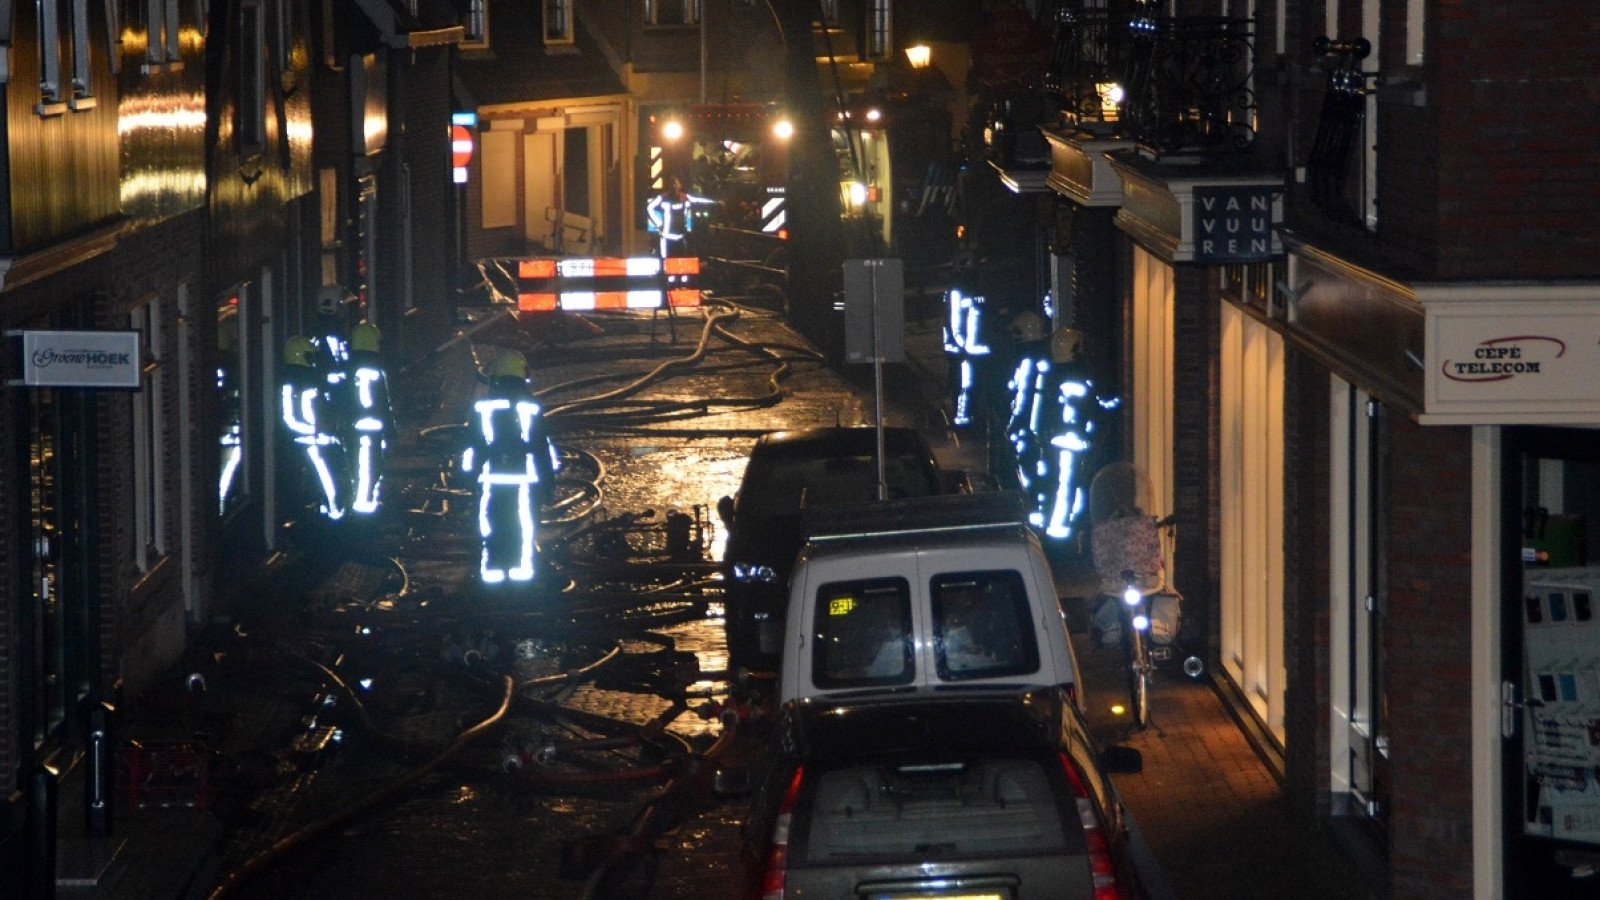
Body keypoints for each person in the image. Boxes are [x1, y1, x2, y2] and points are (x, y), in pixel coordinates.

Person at [460, 352, 560, 584]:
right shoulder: (531, 407)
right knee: (523, 524)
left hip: (492, 477)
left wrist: (468, 476)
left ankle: (493, 571)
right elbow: (540, 447)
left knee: (493, 522)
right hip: (525, 477)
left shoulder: (482, 407)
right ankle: (521, 572)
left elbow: (474, 447)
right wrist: (548, 481)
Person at [281, 335, 346, 519]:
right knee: (325, 474)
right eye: (311, 356)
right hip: (311, 439)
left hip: (293, 440)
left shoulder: (285, 380)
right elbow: (314, 413)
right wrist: (321, 431)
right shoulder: (310, 381)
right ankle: (334, 509)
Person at [342, 322, 391, 516]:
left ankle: (360, 505)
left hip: (353, 428)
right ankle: (364, 511)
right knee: (369, 469)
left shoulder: (347, 369)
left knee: (357, 467)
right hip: (370, 429)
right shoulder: (374, 370)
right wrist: (390, 428)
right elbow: (382, 402)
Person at [645, 176, 715, 258]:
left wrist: (715, 203)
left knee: (680, 262)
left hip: (680, 238)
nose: (674, 186)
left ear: (680, 185)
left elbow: (699, 201)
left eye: (676, 183)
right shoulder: (662, 198)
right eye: (672, 184)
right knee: (666, 262)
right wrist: (658, 223)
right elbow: (649, 208)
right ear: (669, 186)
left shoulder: (684, 197)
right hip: (667, 237)